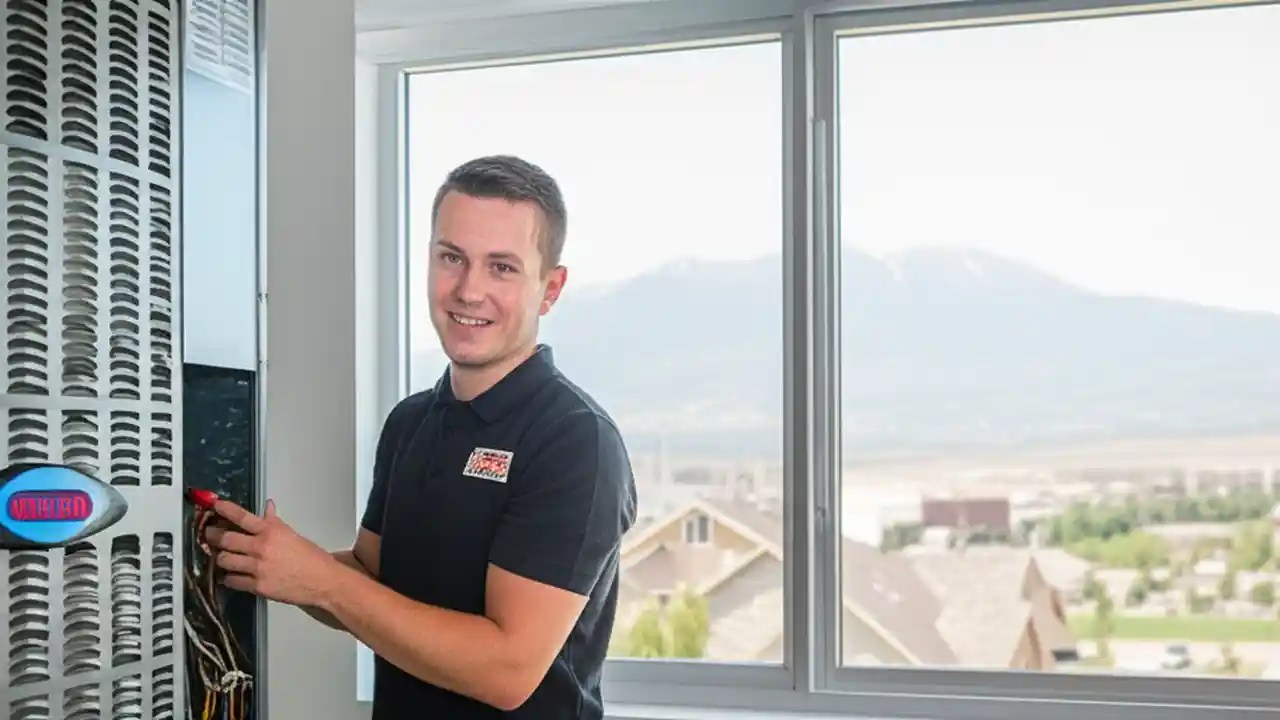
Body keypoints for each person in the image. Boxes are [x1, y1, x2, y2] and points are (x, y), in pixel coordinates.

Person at [205, 155, 639, 718]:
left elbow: (507, 671)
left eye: (501, 267)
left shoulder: (576, 441)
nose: (468, 290)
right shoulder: (412, 421)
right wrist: (264, 559)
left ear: (550, 288)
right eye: (451, 258)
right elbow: (372, 578)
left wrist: (319, 581)